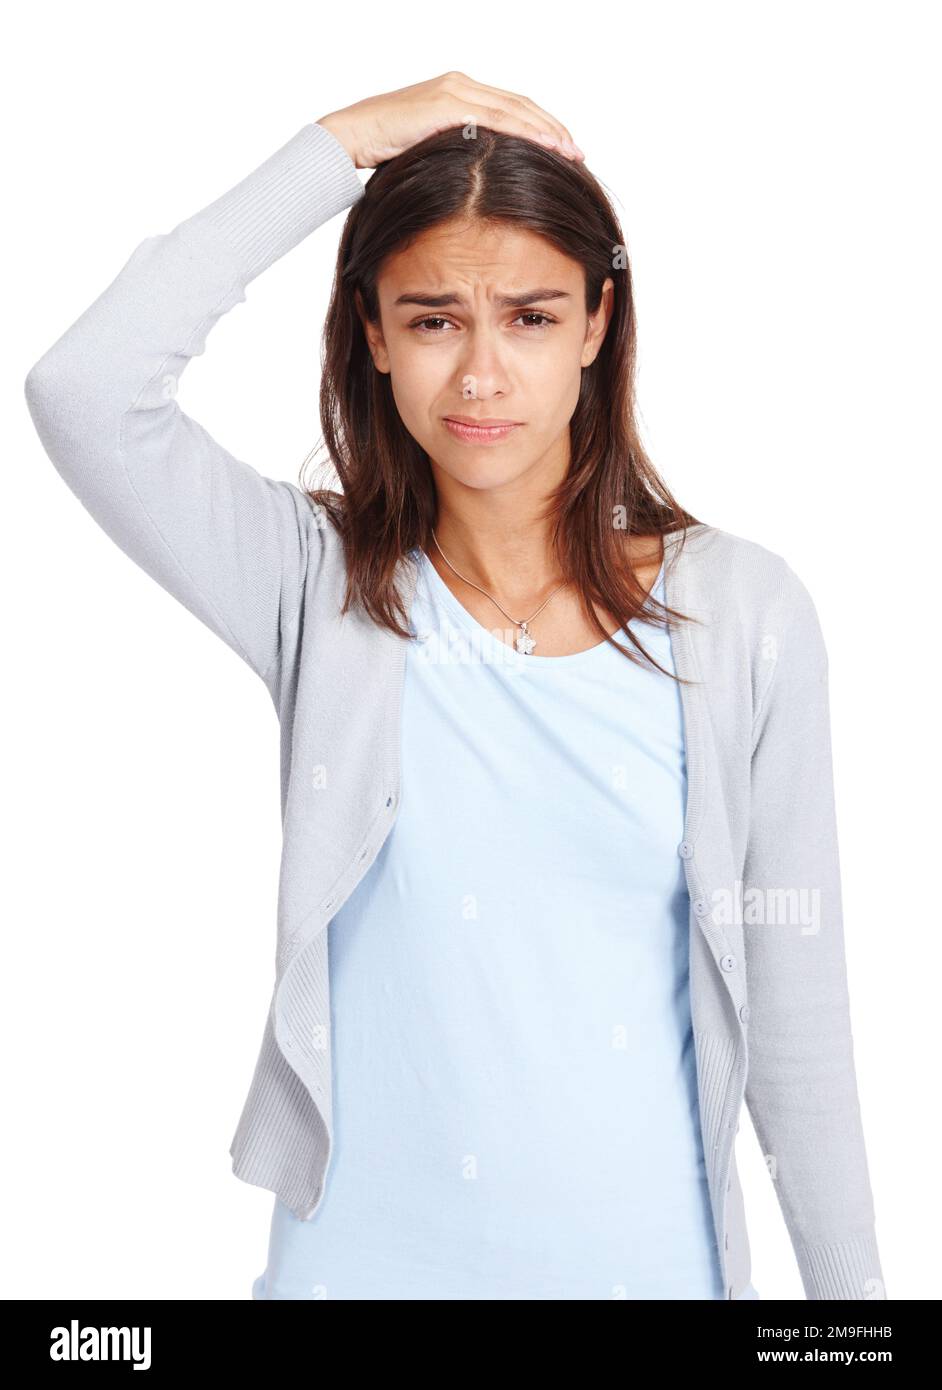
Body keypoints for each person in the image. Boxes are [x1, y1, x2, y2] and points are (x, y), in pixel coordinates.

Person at [24, 72, 884, 1301]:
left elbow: (801, 1032)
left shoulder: (743, 615)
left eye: (530, 318)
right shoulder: (317, 589)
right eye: (433, 319)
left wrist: (854, 1324)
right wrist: (341, 146)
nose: (481, 375)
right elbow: (85, 391)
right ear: (372, 335)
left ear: (598, 324)